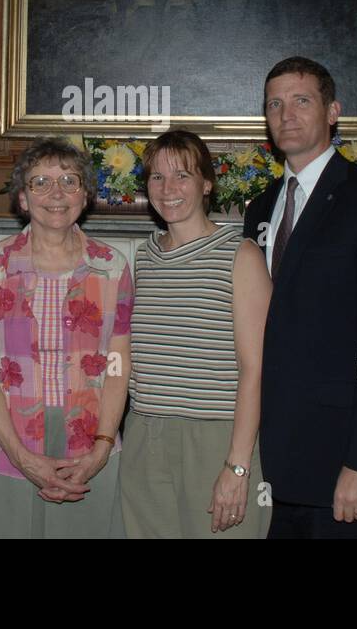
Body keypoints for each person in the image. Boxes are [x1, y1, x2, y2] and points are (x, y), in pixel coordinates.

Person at [242, 57, 357, 539]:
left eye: (302, 101)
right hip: (272, 467)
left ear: (333, 111)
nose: (287, 114)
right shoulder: (260, 208)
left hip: (343, 468)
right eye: (275, 104)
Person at [0, 137, 131, 538]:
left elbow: (118, 369)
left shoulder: (113, 268)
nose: (55, 193)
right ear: (22, 198)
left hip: (88, 443)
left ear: (85, 195)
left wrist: (101, 447)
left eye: (69, 180)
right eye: (40, 182)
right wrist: (22, 457)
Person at [119, 130, 272, 538]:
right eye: (156, 177)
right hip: (145, 436)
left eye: (182, 176)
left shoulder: (241, 254)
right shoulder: (145, 256)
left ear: (206, 183)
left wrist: (237, 466)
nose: (168, 189)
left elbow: (254, 368)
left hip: (216, 438)